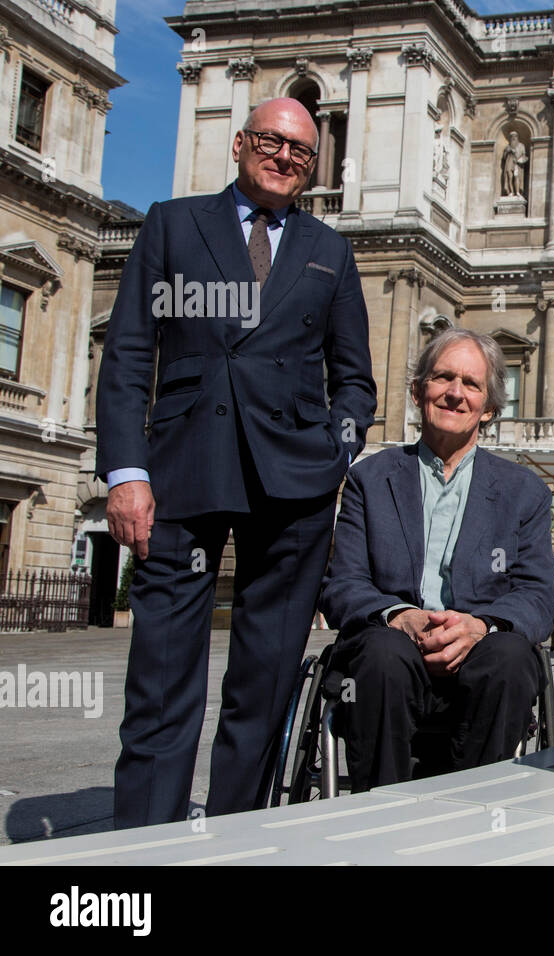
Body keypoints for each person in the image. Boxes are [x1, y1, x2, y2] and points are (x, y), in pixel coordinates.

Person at [96, 98, 376, 828]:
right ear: (239, 144)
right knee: (160, 680)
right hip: (180, 475)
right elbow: (128, 354)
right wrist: (126, 472)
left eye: (302, 152)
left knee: (266, 680)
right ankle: (144, 850)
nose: (285, 158)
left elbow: (354, 379)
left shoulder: (330, 250)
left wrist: (336, 451)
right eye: (272, 142)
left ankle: (233, 839)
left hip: (294, 487)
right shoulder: (172, 224)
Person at [319, 328, 554, 790]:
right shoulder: (370, 479)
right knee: (382, 654)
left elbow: (537, 596)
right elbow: (343, 584)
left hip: (483, 651)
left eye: (471, 384)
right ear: (417, 392)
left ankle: (471, 814)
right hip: (390, 648)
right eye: (442, 378)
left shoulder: (522, 492)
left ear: (488, 407)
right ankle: (380, 811)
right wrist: (400, 616)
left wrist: (479, 626)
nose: (455, 393)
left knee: (508, 658)